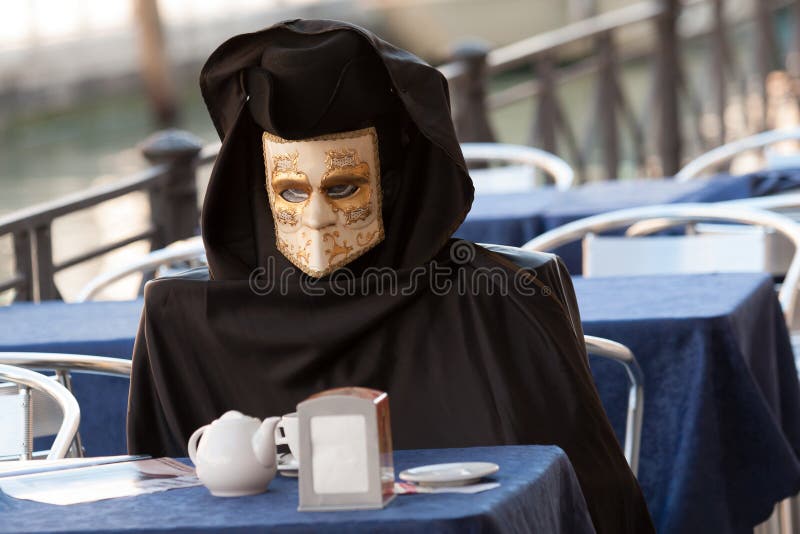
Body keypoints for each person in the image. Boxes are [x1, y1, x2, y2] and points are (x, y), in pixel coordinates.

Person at [128, 19, 654, 533]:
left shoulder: (495, 301)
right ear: (260, 186)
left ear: (394, 182)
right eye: (291, 191)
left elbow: (579, 498)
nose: (316, 219)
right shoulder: (182, 318)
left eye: (343, 188)